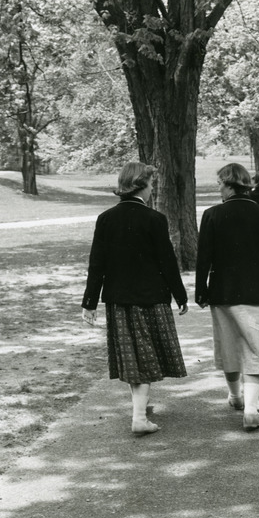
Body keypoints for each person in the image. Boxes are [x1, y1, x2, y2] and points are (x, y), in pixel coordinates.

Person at [81, 162, 188, 436]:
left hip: (119, 301)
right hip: (151, 299)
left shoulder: (106, 218)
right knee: (146, 358)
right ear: (141, 185)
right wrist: (180, 295)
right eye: (151, 184)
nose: (153, 190)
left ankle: (142, 406)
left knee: (134, 358)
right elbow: (167, 262)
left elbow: (97, 264)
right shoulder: (154, 219)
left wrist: (90, 302)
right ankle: (139, 417)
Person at [195, 162, 259, 431]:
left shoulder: (212, 215)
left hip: (223, 291)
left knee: (230, 345)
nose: (218, 189)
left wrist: (200, 290)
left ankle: (235, 395)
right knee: (255, 349)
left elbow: (204, 259)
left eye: (219, 184)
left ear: (228, 184)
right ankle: (250, 408)